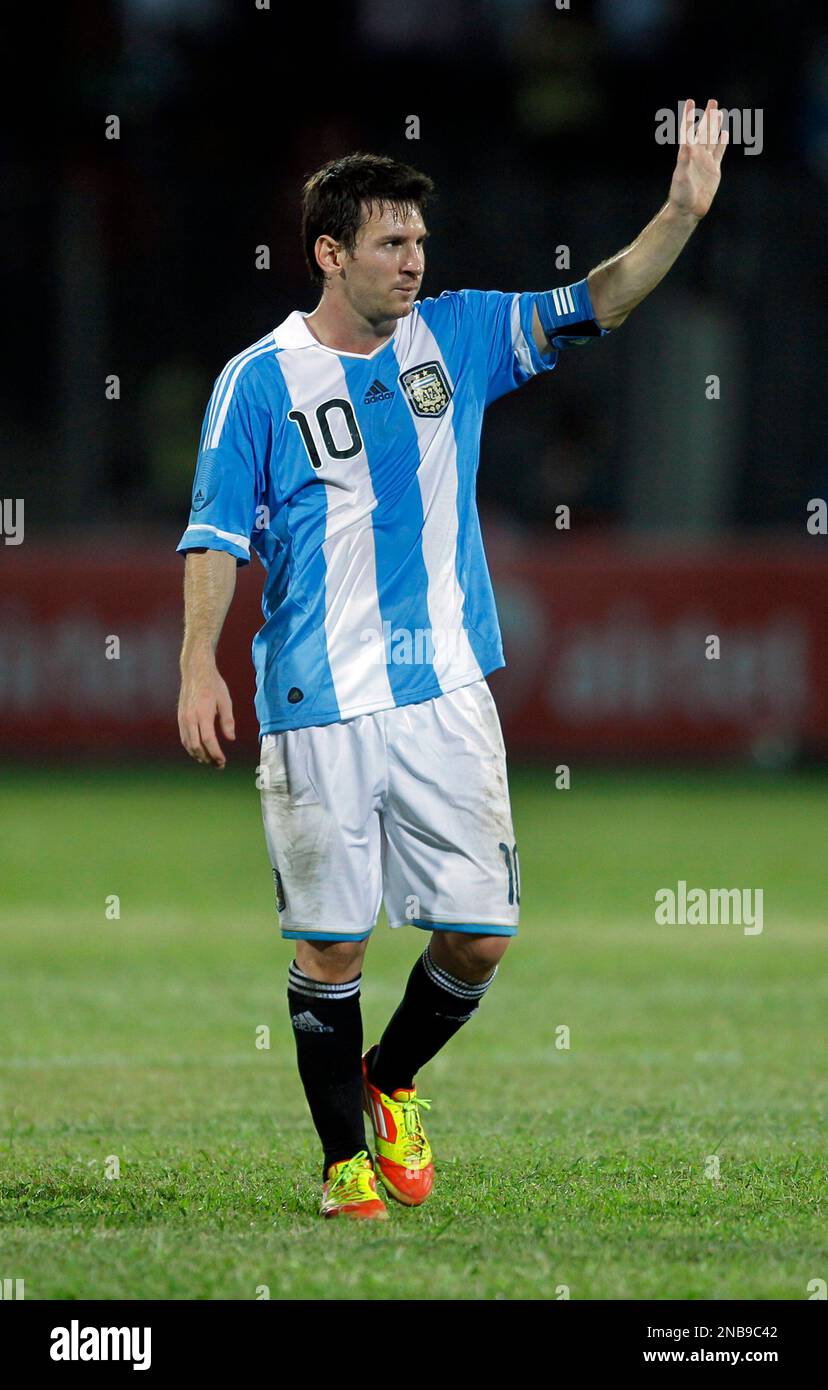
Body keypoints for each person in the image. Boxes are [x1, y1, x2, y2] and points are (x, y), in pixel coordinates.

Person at [177, 101, 727, 1219]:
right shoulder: (258, 383)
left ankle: (391, 1079)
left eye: (421, 243)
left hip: (446, 693)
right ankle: (341, 1164)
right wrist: (198, 662)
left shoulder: (459, 336)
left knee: (479, 934)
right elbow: (215, 537)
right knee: (330, 947)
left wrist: (678, 212)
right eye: (391, 244)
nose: (413, 262)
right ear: (330, 253)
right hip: (315, 700)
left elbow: (601, 297)